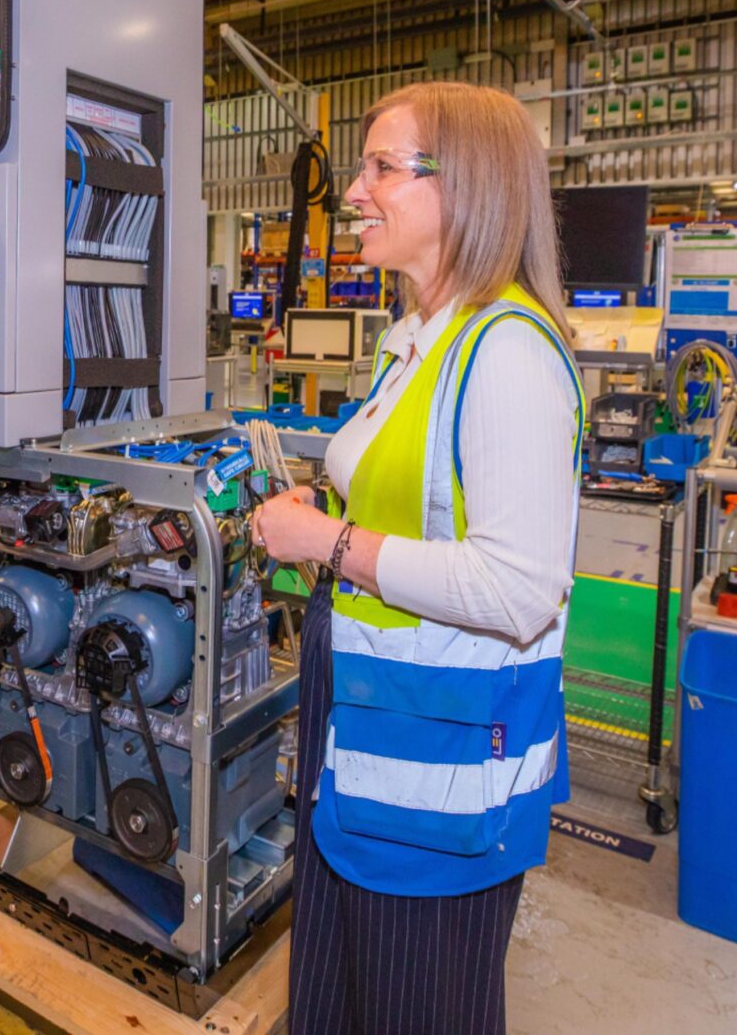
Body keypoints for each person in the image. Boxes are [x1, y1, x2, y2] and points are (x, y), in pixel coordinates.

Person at [251, 83, 582, 1034]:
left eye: (381, 168)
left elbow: (518, 589)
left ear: (465, 189)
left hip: (439, 765)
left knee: (412, 1002)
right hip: (370, 732)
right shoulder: (416, 339)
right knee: (341, 993)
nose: (354, 190)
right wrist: (336, 511)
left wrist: (331, 542)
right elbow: (422, 509)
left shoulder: (508, 352)